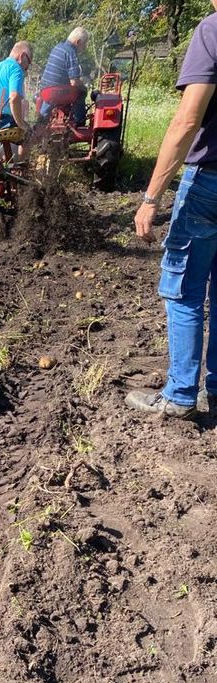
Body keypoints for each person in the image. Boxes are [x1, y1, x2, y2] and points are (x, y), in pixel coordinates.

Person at [128, 0, 217, 418]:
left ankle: (181, 393)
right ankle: (214, 390)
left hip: (209, 182)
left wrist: (151, 197)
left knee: (183, 289)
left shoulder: (212, 30)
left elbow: (186, 120)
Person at [39, 27, 89, 125]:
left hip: (45, 90)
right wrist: (82, 83)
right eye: (84, 44)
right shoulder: (71, 52)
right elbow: (74, 82)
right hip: (59, 92)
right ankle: (79, 122)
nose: (84, 47)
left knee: (49, 97)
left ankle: (41, 121)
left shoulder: (57, 47)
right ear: (78, 42)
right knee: (82, 91)